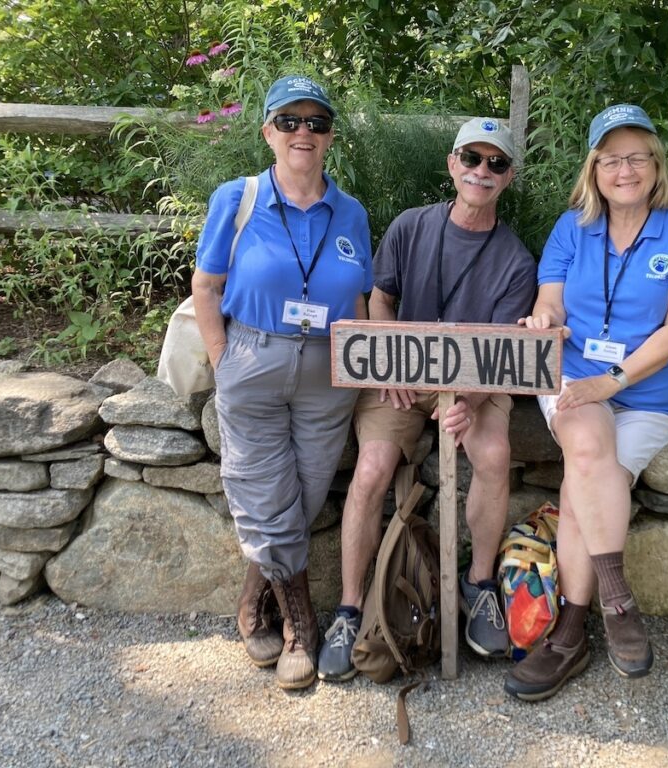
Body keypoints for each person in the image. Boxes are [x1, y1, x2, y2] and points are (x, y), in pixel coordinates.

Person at [505, 104, 668, 701]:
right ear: (594, 167)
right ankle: (617, 602)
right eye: (611, 158)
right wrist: (544, 319)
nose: (625, 169)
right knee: (591, 450)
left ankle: (569, 634)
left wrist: (614, 380)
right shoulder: (572, 228)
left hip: (647, 393)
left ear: (655, 164)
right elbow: (552, 303)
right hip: (571, 377)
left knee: (582, 488)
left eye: (636, 157)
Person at [317, 117, 537, 681]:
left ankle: (480, 583)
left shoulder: (515, 259)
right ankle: (349, 607)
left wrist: (464, 397)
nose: (481, 171)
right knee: (371, 470)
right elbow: (380, 299)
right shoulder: (410, 227)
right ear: (452, 164)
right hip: (401, 382)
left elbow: (505, 353)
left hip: (474, 387)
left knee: (490, 457)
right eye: (471, 158)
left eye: (496, 163)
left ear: (508, 176)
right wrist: (392, 358)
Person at [191, 75, 374, 691]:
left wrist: (376, 366)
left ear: (330, 138)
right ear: (268, 131)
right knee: (266, 494)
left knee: (304, 496)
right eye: (290, 121)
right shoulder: (236, 199)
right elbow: (206, 287)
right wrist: (223, 359)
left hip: (328, 370)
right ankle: (301, 626)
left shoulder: (351, 213)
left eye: (316, 123)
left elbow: (364, 298)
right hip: (254, 357)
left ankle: (252, 604)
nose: (304, 133)